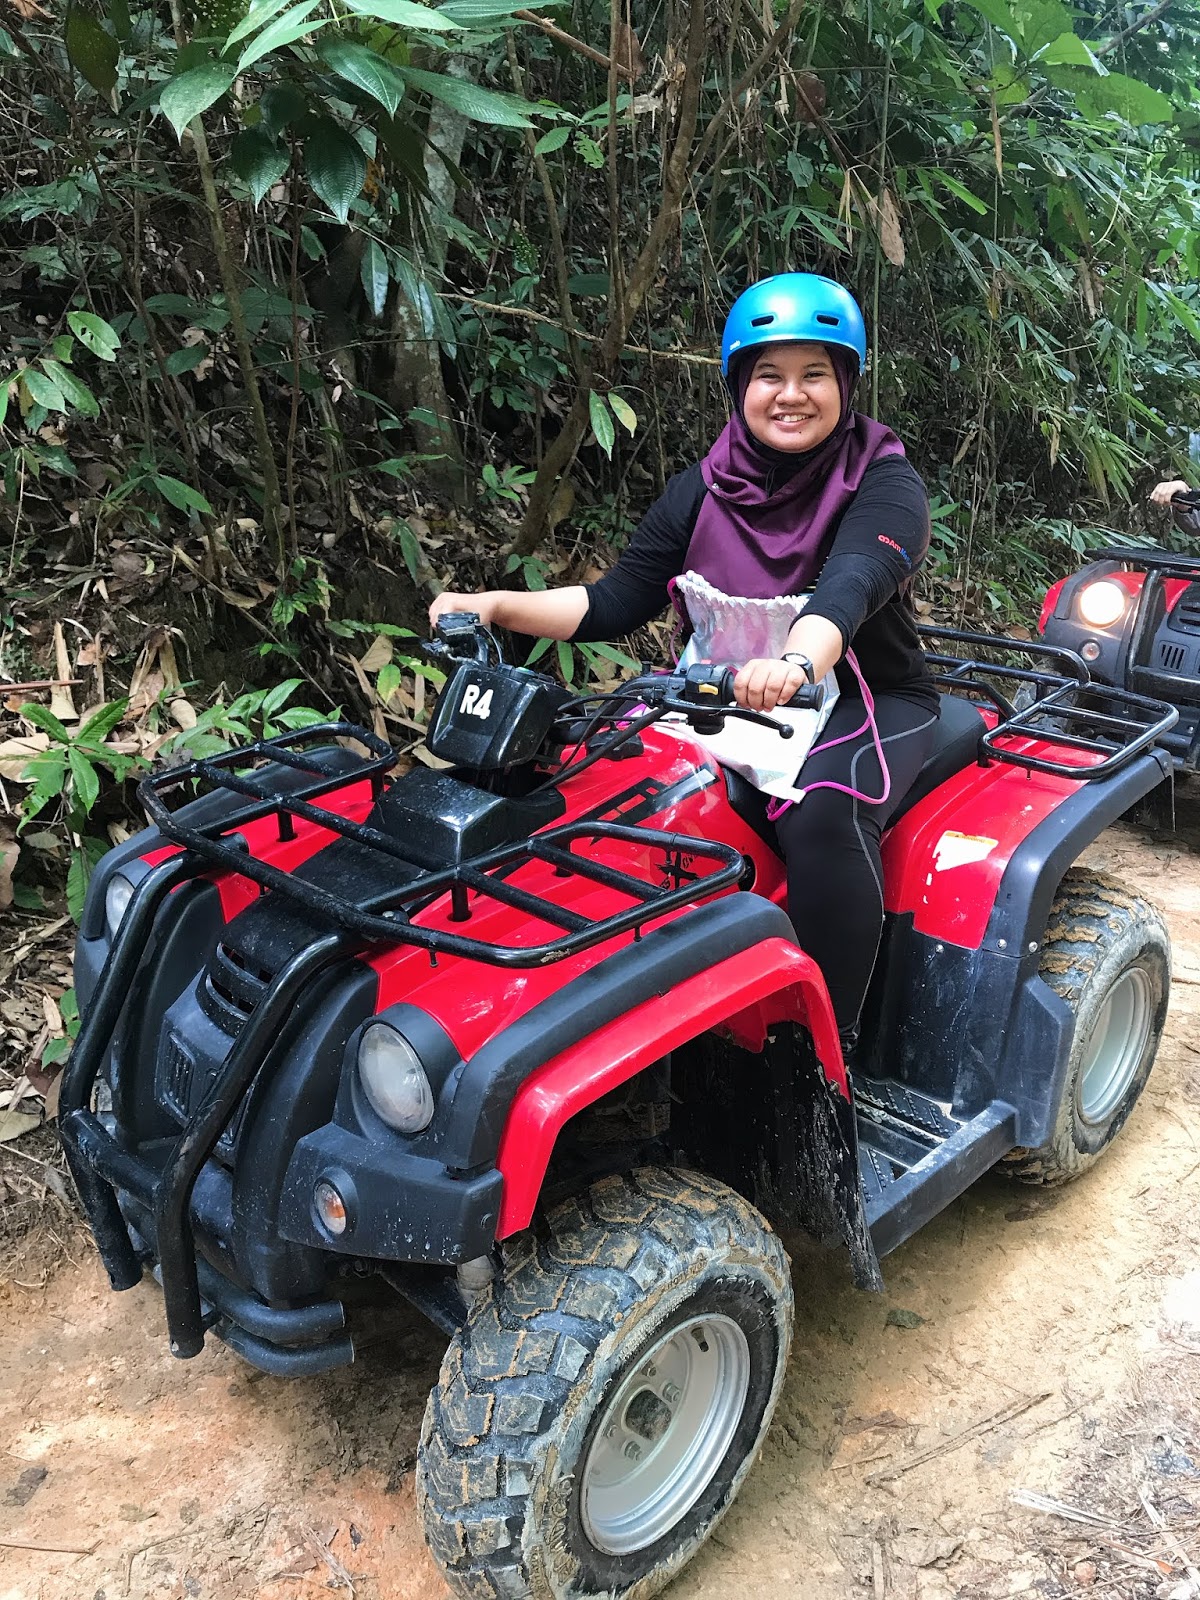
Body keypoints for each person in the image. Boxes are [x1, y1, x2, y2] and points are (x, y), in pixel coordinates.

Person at [430, 273, 938, 1046]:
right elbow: (615, 601)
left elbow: (851, 585)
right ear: (740, 385)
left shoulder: (885, 480)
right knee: (588, 770)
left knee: (827, 821)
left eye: (814, 374)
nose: (790, 395)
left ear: (846, 382)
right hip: (719, 691)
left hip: (861, 695)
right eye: (770, 374)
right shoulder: (703, 487)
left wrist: (797, 664)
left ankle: (817, 1058)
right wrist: (495, 605)